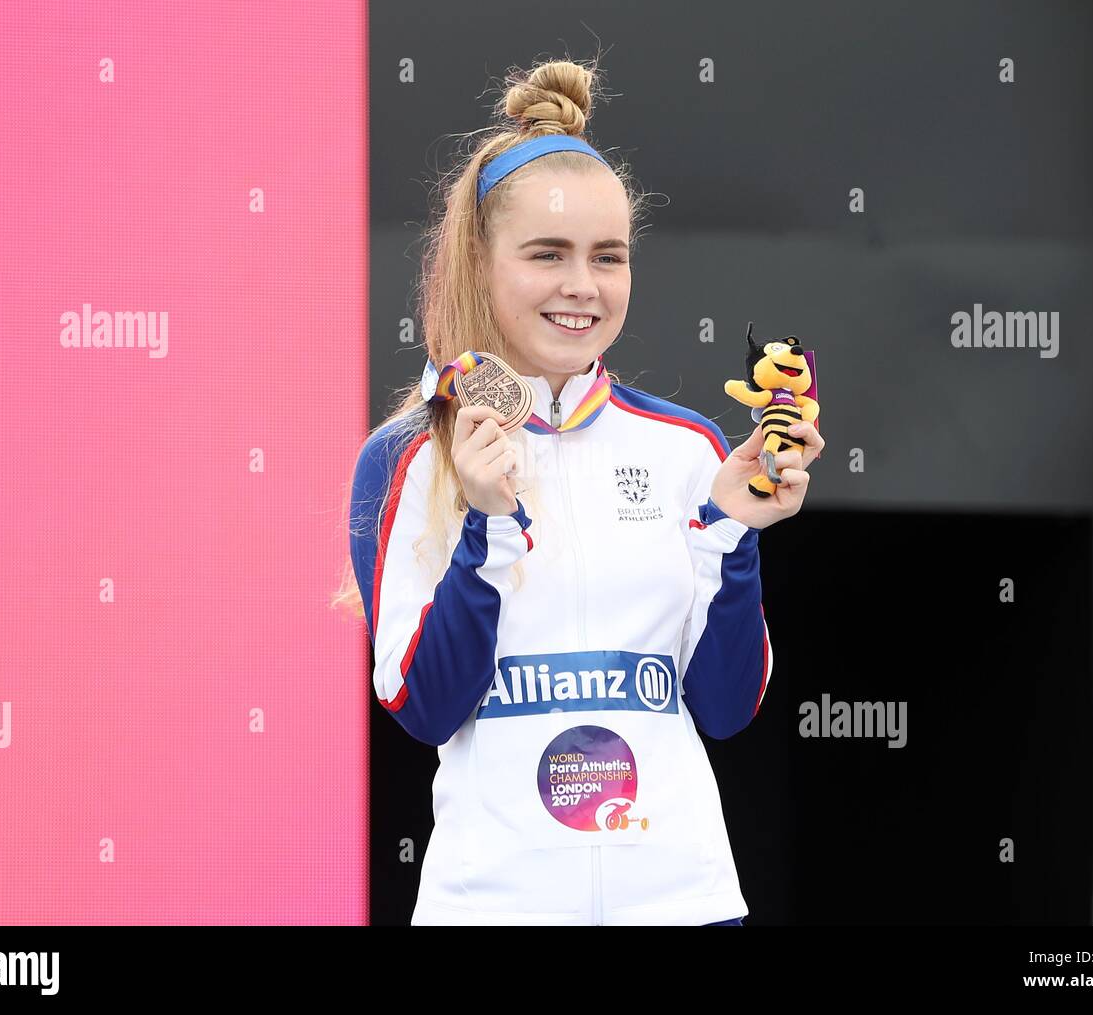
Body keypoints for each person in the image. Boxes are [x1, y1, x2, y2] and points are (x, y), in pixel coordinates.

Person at [335, 58, 823, 925]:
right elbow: (425, 707)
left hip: (685, 905)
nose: (582, 287)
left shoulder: (688, 447)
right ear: (480, 265)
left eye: (609, 257)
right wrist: (487, 527)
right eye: (547, 254)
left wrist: (730, 528)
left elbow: (724, 705)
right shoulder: (408, 456)